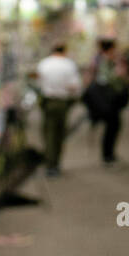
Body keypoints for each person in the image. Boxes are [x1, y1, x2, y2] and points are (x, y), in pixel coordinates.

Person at [34, 44, 82, 177]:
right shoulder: (69, 65)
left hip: (47, 101)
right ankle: (55, 164)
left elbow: (38, 84)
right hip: (62, 102)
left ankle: (49, 162)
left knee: (48, 132)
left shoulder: (43, 64)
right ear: (64, 51)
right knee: (59, 133)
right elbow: (75, 86)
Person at [87, 38, 129, 165]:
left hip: (110, 99)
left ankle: (109, 154)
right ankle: (108, 155)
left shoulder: (104, 60)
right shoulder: (104, 61)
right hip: (107, 100)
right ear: (111, 48)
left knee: (113, 126)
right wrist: (119, 74)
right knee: (112, 126)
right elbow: (107, 79)